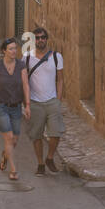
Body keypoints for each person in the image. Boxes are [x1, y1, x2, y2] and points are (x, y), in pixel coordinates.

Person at [0, 37, 31, 181]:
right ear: (4, 50)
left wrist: (27, 105)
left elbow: (25, 85)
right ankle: (13, 170)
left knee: (14, 140)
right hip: (0, 106)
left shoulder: (21, 66)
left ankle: (5, 154)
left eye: (15, 48)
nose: (14, 51)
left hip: (16, 107)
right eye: (10, 49)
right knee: (9, 137)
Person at [24, 26, 65, 175]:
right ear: (34, 40)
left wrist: (58, 100)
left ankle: (49, 158)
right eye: (38, 38)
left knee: (56, 133)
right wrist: (26, 103)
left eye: (43, 37)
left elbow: (60, 80)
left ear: (47, 39)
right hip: (35, 102)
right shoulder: (27, 57)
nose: (41, 40)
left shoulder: (56, 57)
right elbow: (23, 81)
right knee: (36, 135)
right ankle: (40, 163)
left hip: (52, 101)